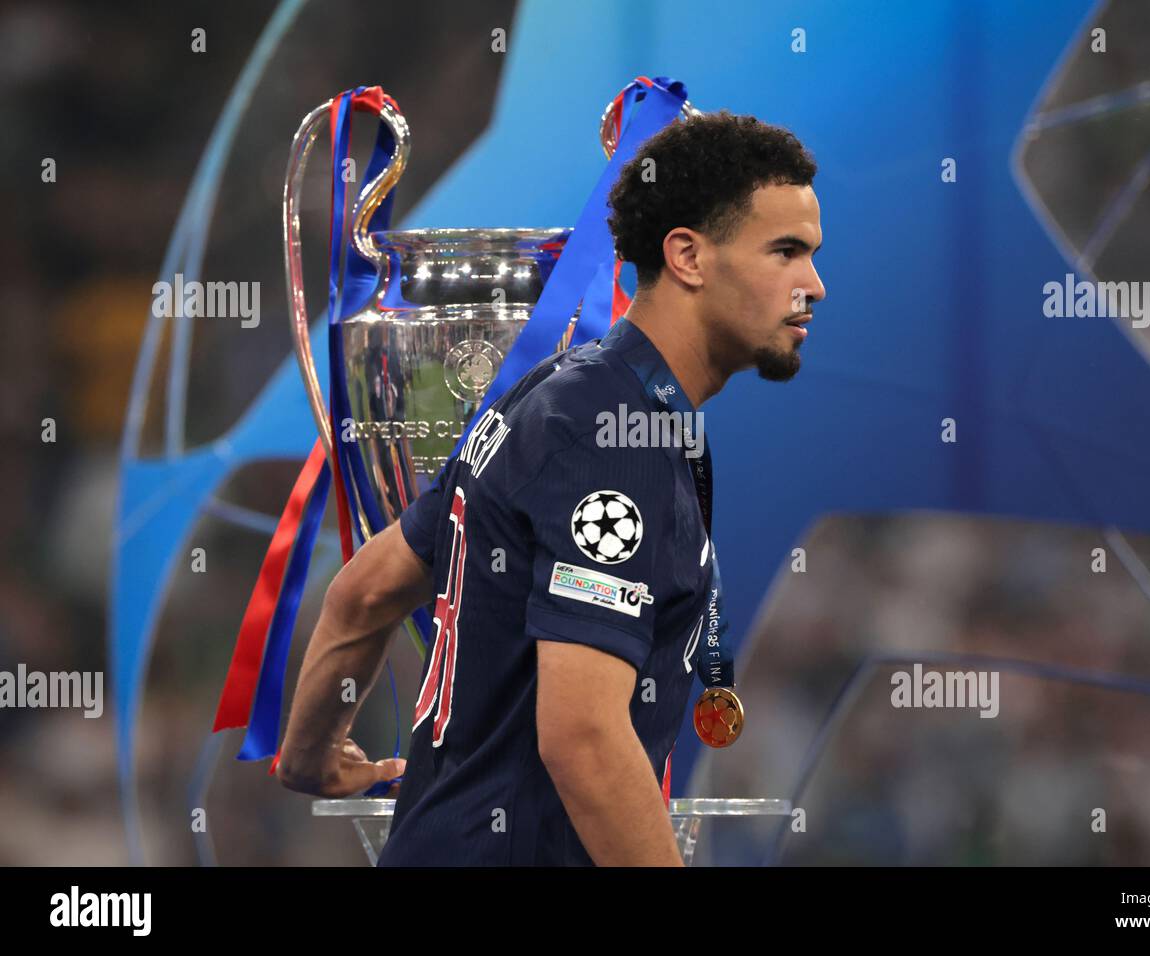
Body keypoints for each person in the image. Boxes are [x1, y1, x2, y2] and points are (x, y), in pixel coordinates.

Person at [276, 110, 826, 865]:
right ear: (689, 257)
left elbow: (366, 590)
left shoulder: (555, 389)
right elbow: (585, 740)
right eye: (786, 252)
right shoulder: (612, 434)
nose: (814, 286)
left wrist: (309, 756)